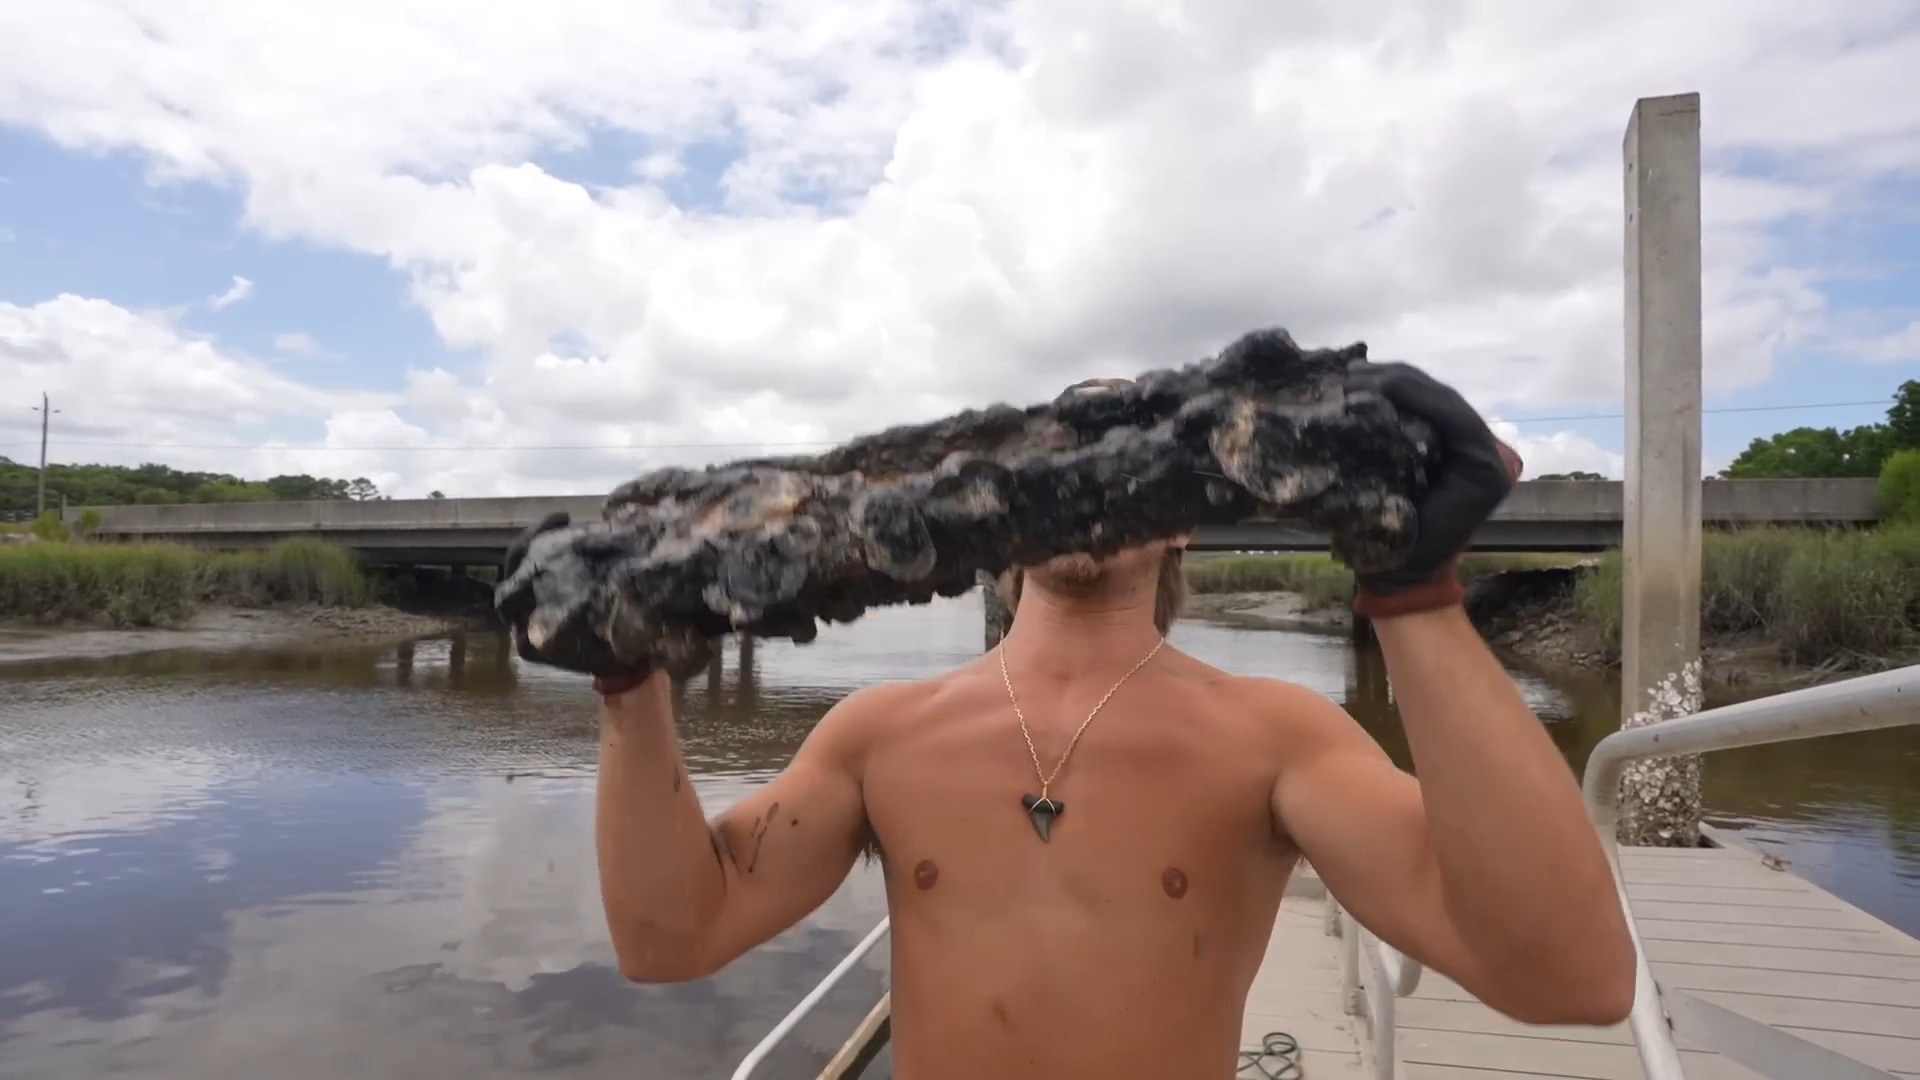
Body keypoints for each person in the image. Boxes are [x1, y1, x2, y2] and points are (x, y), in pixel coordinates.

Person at [503, 360, 1638, 1080]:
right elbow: (672, 938)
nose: (1090, 484)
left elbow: (1571, 978)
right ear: (999, 508)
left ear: (1185, 516)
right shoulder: (879, 735)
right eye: (1059, 461)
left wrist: (1415, 589)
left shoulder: (1275, 738)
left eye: (1131, 462)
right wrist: (628, 688)